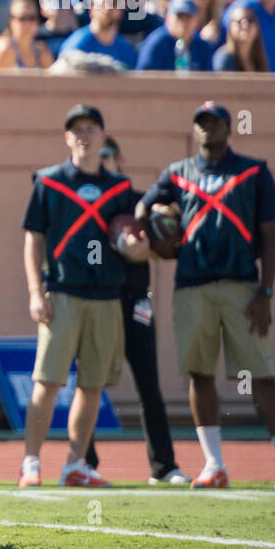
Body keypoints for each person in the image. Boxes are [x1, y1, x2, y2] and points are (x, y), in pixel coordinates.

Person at [139, 103, 275, 491]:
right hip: (192, 284)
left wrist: (266, 290)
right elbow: (143, 208)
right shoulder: (178, 173)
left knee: (261, 374)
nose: (208, 129)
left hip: (243, 285)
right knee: (200, 373)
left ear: (229, 127)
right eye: (202, 123)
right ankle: (214, 464)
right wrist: (153, 228)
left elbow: (272, 234)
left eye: (215, 122)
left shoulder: (253, 171)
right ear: (195, 131)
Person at [18, 104, 147, 489]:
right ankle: (30, 462)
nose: (84, 135)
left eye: (91, 128)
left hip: (107, 295)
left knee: (93, 384)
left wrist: (138, 247)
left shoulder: (120, 189)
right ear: (67, 137)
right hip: (62, 292)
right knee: (48, 380)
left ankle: (75, 464)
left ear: (102, 137)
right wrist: (34, 291)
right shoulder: (49, 182)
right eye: (77, 129)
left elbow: (135, 241)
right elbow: (32, 239)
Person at [83, 138, 187, 485]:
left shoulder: (137, 199)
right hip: (98, 301)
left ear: (120, 159)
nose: (107, 161)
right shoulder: (85, 201)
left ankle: (164, 466)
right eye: (101, 156)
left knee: (149, 385)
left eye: (112, 155)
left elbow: (169, 223)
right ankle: (85, 463)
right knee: (91, 384)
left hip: (136, 301)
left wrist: (164, 235)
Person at [57, 0, 138, 69]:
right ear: (91, 10)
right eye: (101, 5)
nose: (107, 9)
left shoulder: (125, 49)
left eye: (112, 4)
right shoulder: (77, 45)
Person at [134, 0, 213, 71]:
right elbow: (143, 77)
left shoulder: (201, 46)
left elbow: (209, 79)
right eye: (179, 17)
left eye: (188, 17)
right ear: (168, 18)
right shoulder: (157, 43)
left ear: (196, 20)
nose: (183, 22)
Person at [0, 0, 53, 69]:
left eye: (31, 18)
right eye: (22, 18)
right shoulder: (4, 49)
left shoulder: (43, 52)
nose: (27, 23)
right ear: (11, 21)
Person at [213, 1, 269, 71]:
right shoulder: (224, 58)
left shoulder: (259, 59)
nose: (245, 25)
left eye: (250, 20)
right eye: (239, 21)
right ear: (230, 27)